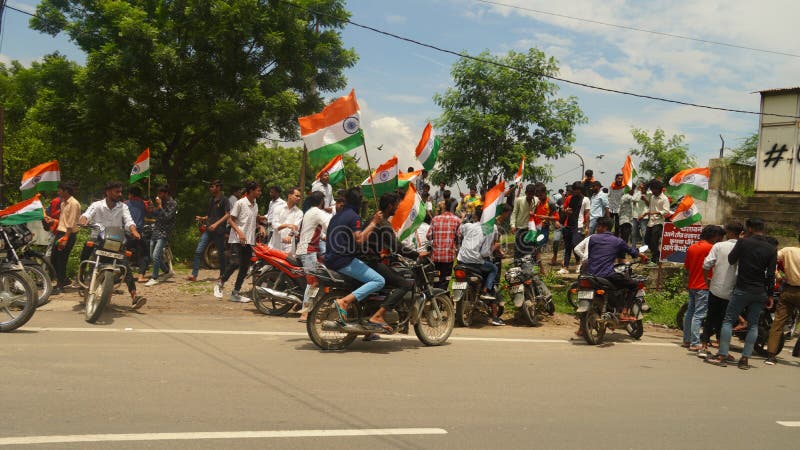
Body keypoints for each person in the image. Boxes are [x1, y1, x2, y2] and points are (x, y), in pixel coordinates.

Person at [706, 218, 777, 369]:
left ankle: (722, 355)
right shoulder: (771, 248)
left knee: (728, 320)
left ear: (749, 229)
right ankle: (744, 359)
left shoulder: (743, 242)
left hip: (742, 288)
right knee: (753, 325)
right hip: (760, 291)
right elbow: (771, 274)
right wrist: (770, 295)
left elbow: (731, 260)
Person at [78, 181, 146, 309]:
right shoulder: (97, 205)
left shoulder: (123, 207)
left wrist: (133, 230)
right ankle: (80, 278)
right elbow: (86, 215)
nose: (120, 194)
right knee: (85, 254)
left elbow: (128, 220)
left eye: (120, 192)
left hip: (115, 239)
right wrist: (83, 220)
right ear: (108, 192)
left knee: (125, 265)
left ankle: (134, 296)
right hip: (97, 237)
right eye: (117, 192)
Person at [362, 192, 422, 334]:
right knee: (405, 284)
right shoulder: (383, 223)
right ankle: (378, 315)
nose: (397, 208)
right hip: (371, 261)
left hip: (363, 260)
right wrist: (417, 255)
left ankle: (369, 331)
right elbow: (396, 246)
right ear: (390, 206)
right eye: (396, 205)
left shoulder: (373, 218)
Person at [326, 187, 386, 330]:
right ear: (359, 202)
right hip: (343, 260)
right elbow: (359, 239)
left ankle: (368, 330)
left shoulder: (337, 216)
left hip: (331, 258)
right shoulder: (354, 217)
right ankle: (345, 302)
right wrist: (374, 222)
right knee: (379, 280)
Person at [583, 217, 648, 319]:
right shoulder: (618, 241)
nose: (597, 228)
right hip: (606, 274)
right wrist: (643, 256)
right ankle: (624, 312)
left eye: (599, 226)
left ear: (605, 227)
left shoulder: (593, 238)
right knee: (635, 285)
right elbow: (632, 252)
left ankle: (582, 329)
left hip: (590, 274)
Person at [698, 221, 743, 358]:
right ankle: (723, 350)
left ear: (728, 232)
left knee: (711, 317)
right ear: (740, 233)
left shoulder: (719, 246)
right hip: (733, 291)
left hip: (716, 287)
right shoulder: (745, 247)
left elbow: (706, 265)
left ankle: (704, 346)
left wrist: (707, 280)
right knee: (725, 321)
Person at [215, 181, 264, 303]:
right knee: (235, 263)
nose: (260, 192)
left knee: (244, 267)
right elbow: (231, 220)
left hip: (249, 240)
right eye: (258, 190)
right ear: (251, 191)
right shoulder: (240, 203)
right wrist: (240, 232)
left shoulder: (255, 204)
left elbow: (252, 220)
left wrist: (260, 226)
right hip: (237, 239)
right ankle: (220, 283)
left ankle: (235, 293)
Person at [457, 208, 504, 325]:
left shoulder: (468, 226)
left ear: (476, 216)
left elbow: (459, 231)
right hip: (475, 262)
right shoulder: (490, 228)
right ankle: (485, 290)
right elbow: (485, 253)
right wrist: (495, 248)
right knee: (493, 268)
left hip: (461, 260)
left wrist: (463, 218)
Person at [682, 225, 724, 351]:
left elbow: (688, 267)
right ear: (714, 236)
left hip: (693, 284)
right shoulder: (712, 248)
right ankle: (695, 342)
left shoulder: (692, 247)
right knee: (699, 315)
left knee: (690, 312)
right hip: (704, 285)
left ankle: (687, 340)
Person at [765, 233, 800, 365]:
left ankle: (771, 355)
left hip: (788, 290)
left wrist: (778, 275)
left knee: (778, 323)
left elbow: (771, 258)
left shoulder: (788, 250)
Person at [295, 191, 330, 321]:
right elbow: (331, 224)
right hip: (308, 250)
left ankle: (309, 309)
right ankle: (305, 313)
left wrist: (324, 237)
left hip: (307, 249)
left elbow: (312, 229)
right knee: (313, 282)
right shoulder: (317, 212)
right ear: (322, 202)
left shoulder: (309, 212)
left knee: (318, 279)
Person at [187, 180, 230, 282]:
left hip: (219, 231)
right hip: (208, 230)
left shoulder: (224, 200)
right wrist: (202, 218)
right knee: (198, 251)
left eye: (212, 186)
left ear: (218, 188)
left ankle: (223, 275)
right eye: (210, 186)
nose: (210, 188)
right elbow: (210, 215)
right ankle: (194, 275)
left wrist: (216, 224)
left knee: (220, 253)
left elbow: (228, 214)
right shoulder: (211, 200)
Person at [144, 185, 178, 286]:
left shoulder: (173, 203)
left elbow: (167, 217)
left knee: (155, 256)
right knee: (152, 256)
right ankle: (167, 271)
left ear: (166, 193)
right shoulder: (161, 203)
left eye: (160, 193)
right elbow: (155, 214)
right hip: (156, 230)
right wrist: (152, 208)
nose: (158, 196)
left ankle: (154, 278)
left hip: (164, 232)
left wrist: (160, 207)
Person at [51, 181, 81, 295]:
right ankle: (64, 279)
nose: (58, 192)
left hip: (67, 234)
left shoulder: (74, 203)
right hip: (60, 233)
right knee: (54, 258)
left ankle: (60, 285)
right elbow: (64, 220)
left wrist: (66, 238)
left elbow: (71, 222)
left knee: (61, 260)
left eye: (60, 190)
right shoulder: (63, 203)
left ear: (66, 191)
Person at [427, 197, 461, 290]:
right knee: (446, 280)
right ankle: (443, 299)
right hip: (448, 257)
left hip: (436, 256)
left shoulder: (435, 219)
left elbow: (429, 236)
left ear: (445, 206)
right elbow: (459, 238)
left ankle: (436, 299)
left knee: (436, 280)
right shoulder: (457, 220)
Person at [558, 181, 590, 275]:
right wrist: (566, 210)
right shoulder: (569, 198)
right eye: (574, 190)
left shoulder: (585, 199)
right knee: (567, 247)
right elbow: (563, 209)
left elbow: (587, 213)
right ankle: (565, 267)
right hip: (568, 225)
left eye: (576, 190)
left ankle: (579, 263)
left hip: (579, 225)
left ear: (580, 190)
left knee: (576, 245)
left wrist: (587, 226)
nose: (575, 192)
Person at [640, 179, 670, 267]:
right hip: (651, 222)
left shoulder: (664, 199)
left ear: (659, 189)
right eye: (651, 189)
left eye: (653, 189)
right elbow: (650, 208)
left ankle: (654, 259)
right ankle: (658, 254)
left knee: (654, 241)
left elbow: (666, 211)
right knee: (647, 240)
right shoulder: (652, 197)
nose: (652, 191)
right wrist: (645, 214)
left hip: (659, 222)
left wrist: (656, 213)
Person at [125, 186, 150, 283]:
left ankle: (123, 273)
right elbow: (149, 213)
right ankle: (141, 276)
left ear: (131, 194)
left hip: (127, 233)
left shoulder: (124, 204)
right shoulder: (144, 203)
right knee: (144, 254)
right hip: (139, 232)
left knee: (124, 253)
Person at [269, 187, 303, 254]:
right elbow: (274, 225)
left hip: (288, 248)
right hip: (275, 245)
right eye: (296, 196)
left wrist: (290, 236)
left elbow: (296, 228)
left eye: (300, 196)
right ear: (289, 195)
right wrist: (287, 225)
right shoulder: (278, 208)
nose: (299, 198)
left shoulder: (299, 212)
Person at [511, 184, 537, 257]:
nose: (530, 196)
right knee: (518, 248)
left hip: (531, 229)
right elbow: (514, 213)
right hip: (520, 227)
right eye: (529, 194)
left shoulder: (536, 200)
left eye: (532, 194)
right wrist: (513, 225)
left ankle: (529, 265)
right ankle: (517, 265)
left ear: (534, 193)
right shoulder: (519, 200)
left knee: (530, 248)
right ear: (526, 193)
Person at [630, 182, 648, 247]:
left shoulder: (649, 193)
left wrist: (645, 199)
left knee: (644, 233)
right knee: (633, 233)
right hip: (635, 215)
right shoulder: (637, 193)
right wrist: (639, 192)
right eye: (640, 186)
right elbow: (633, 199)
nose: (641, 187)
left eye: (642, 186)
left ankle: (643, 248)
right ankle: (633, 247)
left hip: (644, 216)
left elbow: (650, 204)